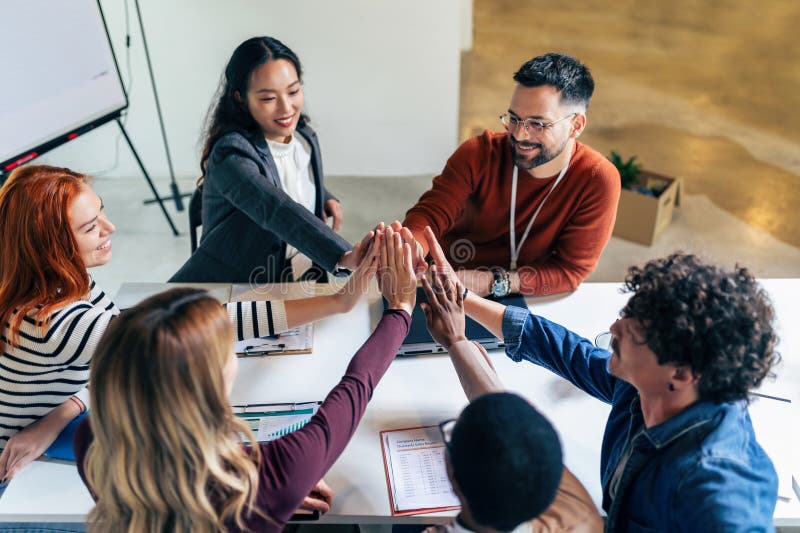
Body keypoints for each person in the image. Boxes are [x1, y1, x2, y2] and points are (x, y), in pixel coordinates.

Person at [0, 164, 378, 483]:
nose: (110, 227)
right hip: (18, 468)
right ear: (52, 249)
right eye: (90, 228)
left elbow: (103, 358)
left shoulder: (52, 281)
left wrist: (63, 411)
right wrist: (337, 301)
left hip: (53, 424)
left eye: (101, 211)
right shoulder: (58, 321)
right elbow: (198, 329)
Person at [422, 226, 780, 530]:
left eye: (635, 330)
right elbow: (568, 352)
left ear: (681, 374)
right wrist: (462, 298)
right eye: (626, 315)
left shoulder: (718, 485)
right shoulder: (643, 386)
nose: (613, 329)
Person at [74, 227, 418, 533]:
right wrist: (400, 309)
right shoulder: (273, 474)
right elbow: (356, 386)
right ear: (209, 387)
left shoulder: (93, 441)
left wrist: (267, 498)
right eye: (228, 352)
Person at [403, 53, 620, 297]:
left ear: (576, 125)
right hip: (444, 281)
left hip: (523, 293)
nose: (520, 135)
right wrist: (409, 249)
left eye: (538, 124)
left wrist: (494, 282)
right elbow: (430, 215)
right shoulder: (478, 153)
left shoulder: (597, 179)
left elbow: (570, 271)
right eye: (514, 119)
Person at [420, 271, 603, 532]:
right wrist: (456, 341)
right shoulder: (583, 517)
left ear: (451, 476)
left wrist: (456, 340)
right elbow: (509, 429)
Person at [171, 36, 364, 284]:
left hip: (299, 277)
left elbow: (288, 174)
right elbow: (275, 206)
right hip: (240, 285)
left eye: (293, 91)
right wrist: (343, 255)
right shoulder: (230, 154)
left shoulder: (304, 137)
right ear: (241, 99)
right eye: (268, 98)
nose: (286, 108)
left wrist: (321, 194)